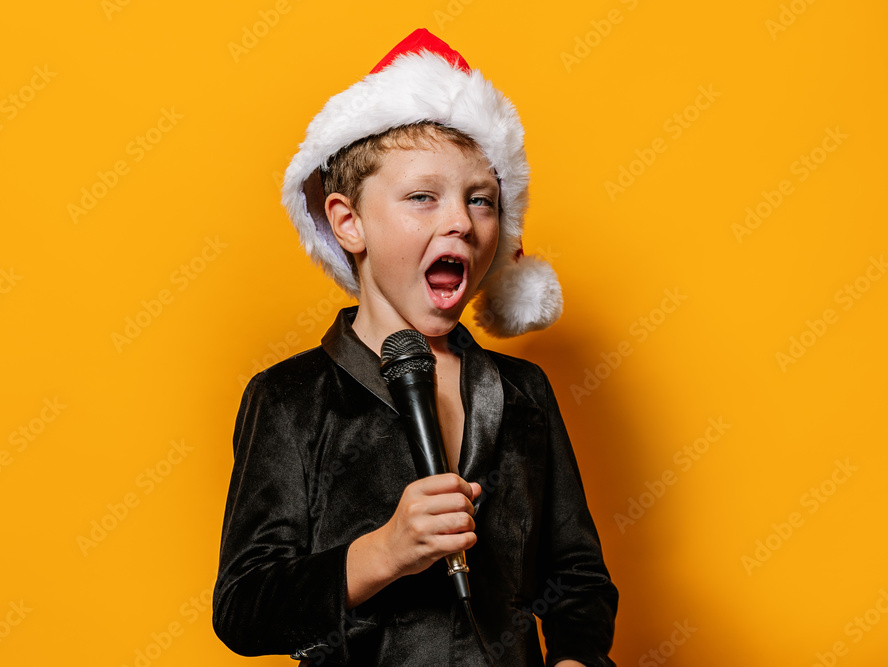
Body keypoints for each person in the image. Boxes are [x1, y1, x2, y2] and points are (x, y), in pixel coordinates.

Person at [212, 28, 618, 666]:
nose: (459, 219)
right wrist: (384, 552)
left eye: (479, 199)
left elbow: (576, 577)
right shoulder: (290, 400)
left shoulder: (524, 393)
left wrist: (575, 657)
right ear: (350, 221)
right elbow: (244, 609)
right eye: (423, 197)